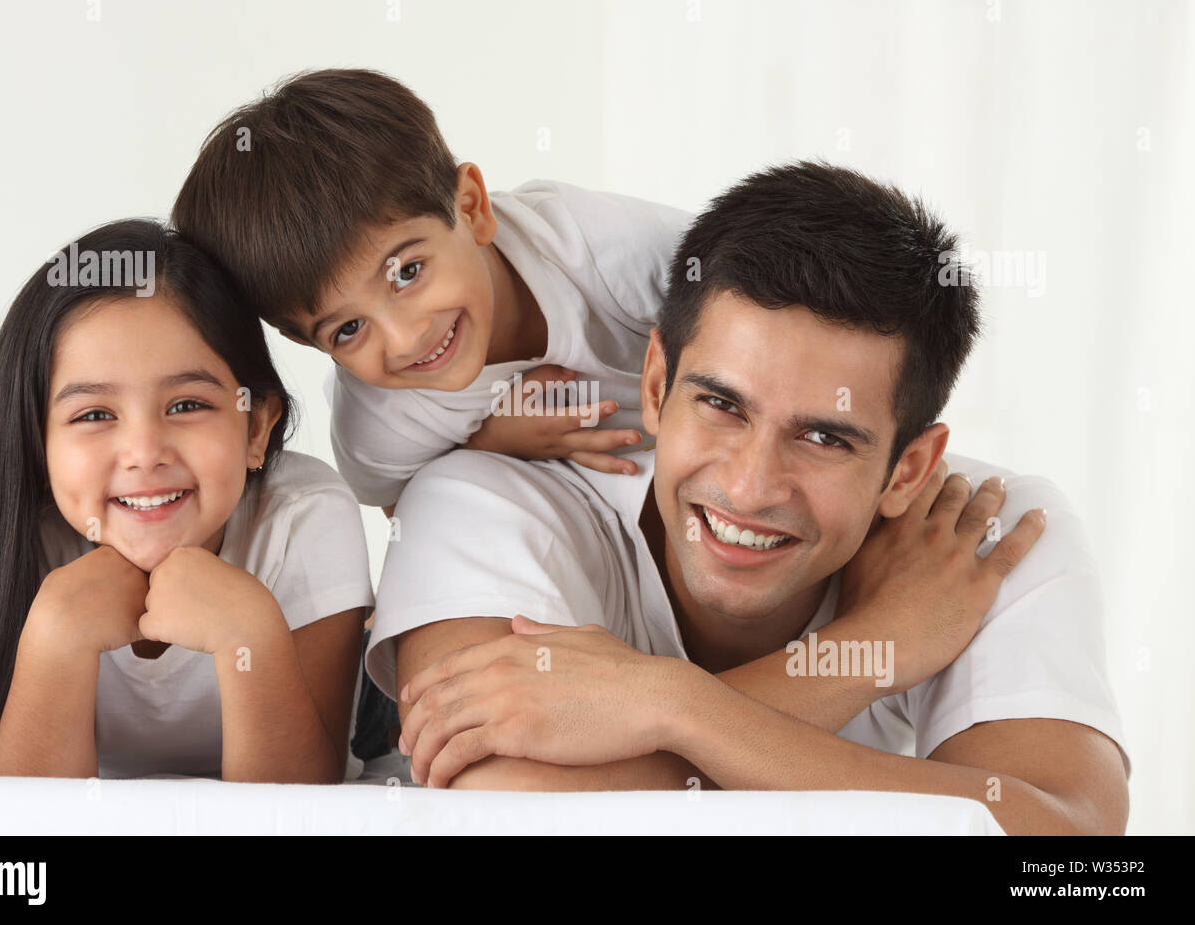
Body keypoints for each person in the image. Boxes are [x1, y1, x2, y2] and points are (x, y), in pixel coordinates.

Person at [368, 163, 1131, 834]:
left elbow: (1072, 857)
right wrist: (867, 653)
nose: (749, 486)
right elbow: (501, 806)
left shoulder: (985, 538)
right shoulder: (481, 499)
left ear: (907, 470)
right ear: (657, 384)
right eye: (722, 406)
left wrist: (674, 706)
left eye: (826, 438)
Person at [0, 220, 373, 782]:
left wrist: (250, 635)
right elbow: (19, 836)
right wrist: (56, 638)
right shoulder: (18, 539)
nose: (144, 453)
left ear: (257, 427)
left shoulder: (304, 518)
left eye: (187, 405)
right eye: (94, 415)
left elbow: (301, 809)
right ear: (37, 444)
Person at [171, 68, 692, 513]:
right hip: (609, 526)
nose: (403, 340)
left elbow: (749, 293)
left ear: (471, 208)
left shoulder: (597, 245)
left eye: (407, 273)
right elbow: (410, 515)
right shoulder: (379, 420)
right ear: (307, 343)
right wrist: (491, 442)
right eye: (348, 329)